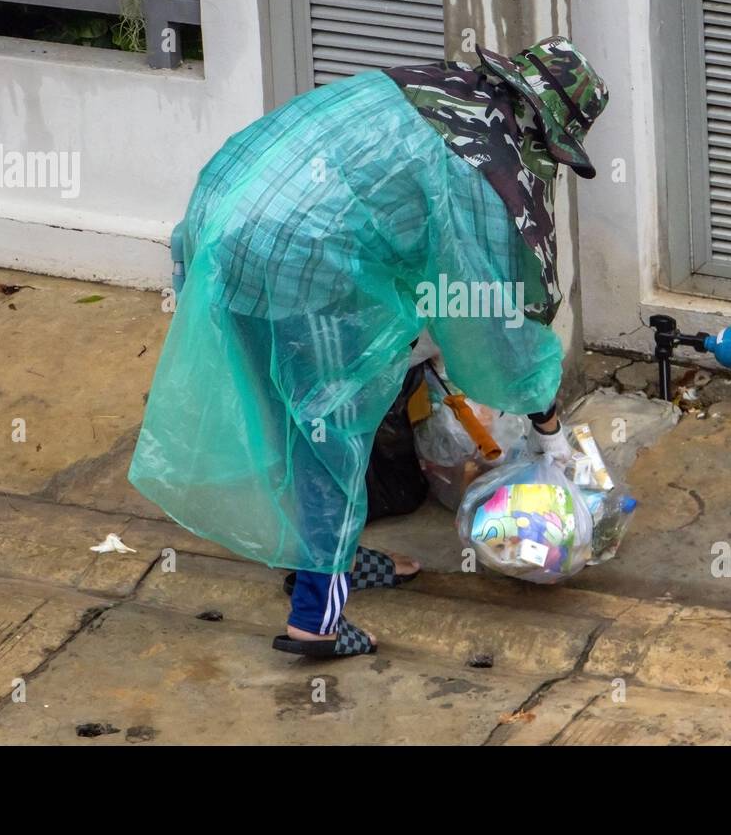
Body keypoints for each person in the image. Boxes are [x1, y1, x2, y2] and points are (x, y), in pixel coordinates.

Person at [129, 36, 609, 658]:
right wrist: (546, 426)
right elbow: (493, 321)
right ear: (544, 130)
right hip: (300, 256)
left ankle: (328, 556)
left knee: (293, 412)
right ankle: (316, 619)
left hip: (221, 219)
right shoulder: (479, 160)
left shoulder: (438, 89)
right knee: (332, 428)